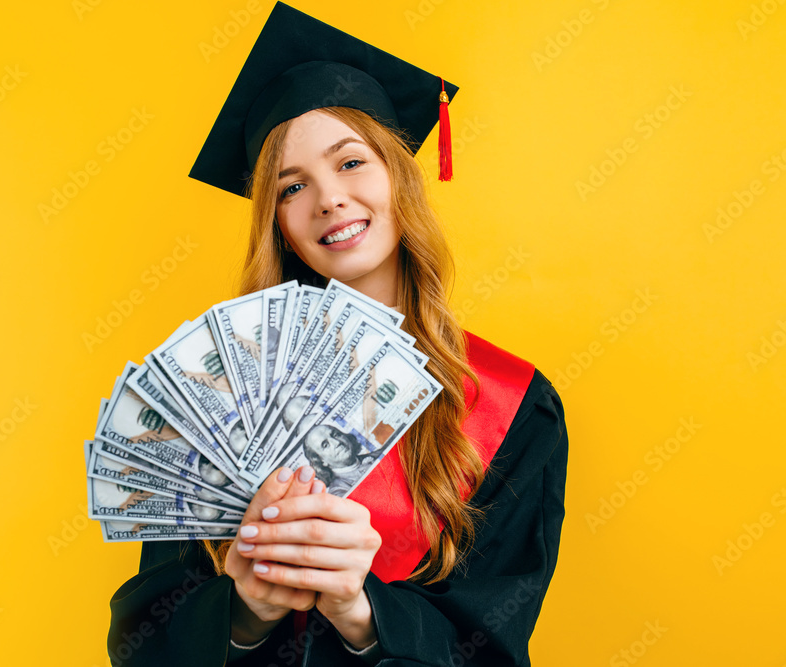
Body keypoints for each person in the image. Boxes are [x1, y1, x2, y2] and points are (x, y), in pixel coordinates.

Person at [107, 3, 568, 665]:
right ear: (278, 225)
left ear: (399, 177)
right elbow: (144, 643)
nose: (328, 198)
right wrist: (246, 609)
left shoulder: (511, 404)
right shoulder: (214, 391)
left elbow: (492, 643)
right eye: (292, 187)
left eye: (350, 163)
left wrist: (361, 611)